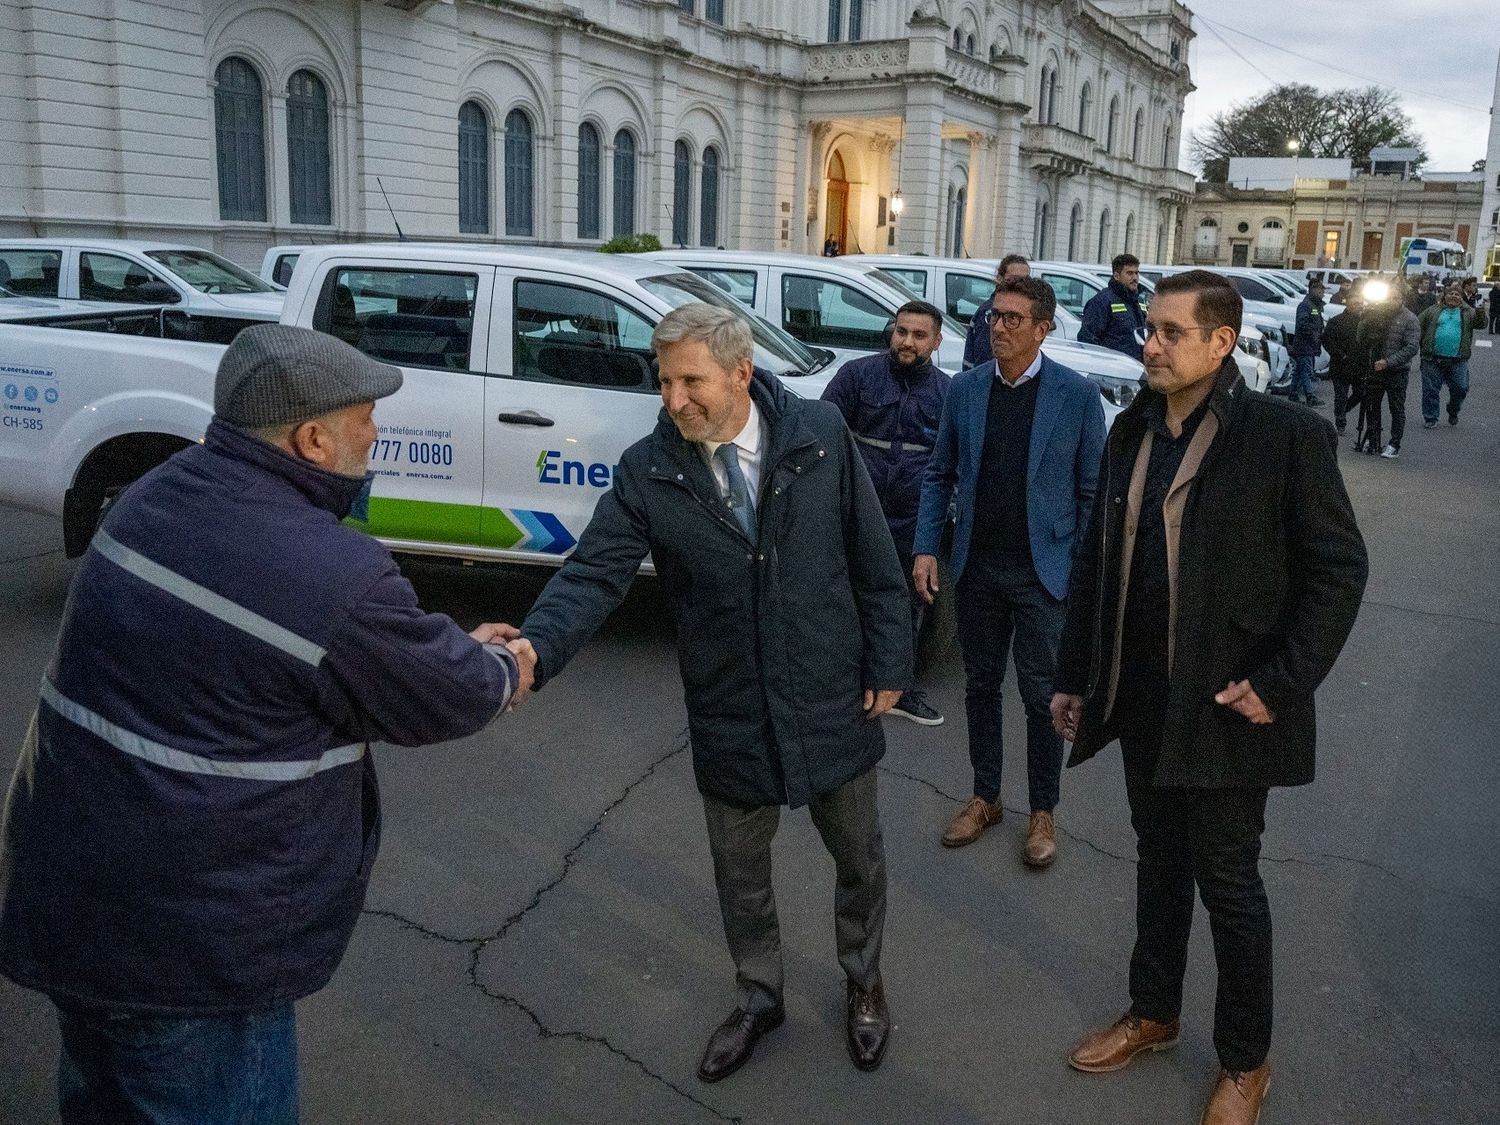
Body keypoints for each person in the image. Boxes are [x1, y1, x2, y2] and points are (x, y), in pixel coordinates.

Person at [0, 324, 530, 1125]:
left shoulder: (154, 496)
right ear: (312, 439)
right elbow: (444, 693)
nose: (377, 436)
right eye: (365, 421)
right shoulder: (327, 569)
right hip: (193, 950)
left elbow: (256, 655)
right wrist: (500, 665)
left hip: (76, 905)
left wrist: (428, 645)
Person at [506, 304, 911, 1081]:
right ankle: (760, 996)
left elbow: (873, 556)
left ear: (741, 373)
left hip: (833, 692)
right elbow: (594, 573)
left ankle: (865, 979)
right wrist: (534, 648)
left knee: (859, 854)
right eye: (664, 381)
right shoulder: (649, 469)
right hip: (730, 705)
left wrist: (889, 660)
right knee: (739, 871)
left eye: (690, 380)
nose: (674, 399)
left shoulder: (820, 434)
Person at [1052, 270, 1368, 1125]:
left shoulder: (1284, 436)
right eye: (1149, 329)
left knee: (1228, 885)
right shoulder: (1133, 432)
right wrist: (1076, 675)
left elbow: (1339, 570)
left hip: (1230, 704)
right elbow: (1098, 562)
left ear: (1221, 343)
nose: (1148, 344)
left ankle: (1245, 1061)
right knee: (1158, 867)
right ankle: (1153, 1012)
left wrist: (1281, 681)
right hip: (1145, 700)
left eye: (1168, 332)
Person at [912, 277, 1105, 866]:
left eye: (1014, 319)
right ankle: (985, 797)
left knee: (1042, 697)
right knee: (979, 688)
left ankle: (1043, 811)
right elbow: (939, 474)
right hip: (977, 569)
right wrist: (926, 547)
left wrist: (1077, 567)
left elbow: (1093, 491)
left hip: (1043, 574)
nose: (999, 327)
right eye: (994, 318)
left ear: (1044, 327)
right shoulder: (966, 390)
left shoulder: (1075, 394)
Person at [822, 299, 953, 726]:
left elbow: (955, 465)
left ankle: (901, 688)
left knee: (907, 604)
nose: (907, 342)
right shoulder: (856, 376)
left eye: (918, 335)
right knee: (847, 598)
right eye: (901, 332)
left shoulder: (949, 392)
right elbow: (823, 437)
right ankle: (846, 685)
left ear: (936, 341)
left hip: (913, 519)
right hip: (858, 513)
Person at [1356, 286, 1420, 458]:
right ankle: (1372, 436)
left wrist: (1388, 362)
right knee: (1372, 404)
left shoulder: (1410, 319)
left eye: (1396, 298)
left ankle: (1394, 444)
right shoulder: (1378, 314)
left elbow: (1412, 347)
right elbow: (1361, 338)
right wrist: (1365, 318)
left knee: (1396, 408)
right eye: (1389, 298)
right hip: (1376, 368)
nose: (1392, 302)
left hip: (1397, 371)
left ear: (1402, 300)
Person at [1417, 281, 1481, 428]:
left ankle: (1453, 409)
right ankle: (1430, 417)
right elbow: (1417, 325)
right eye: (1450, 293)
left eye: (1457, 294)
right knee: (1431, 389)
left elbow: (1481, 324)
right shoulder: (1433, 310)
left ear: (1461, 298)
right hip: (1432, 357)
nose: (1453, 296)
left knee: (1461, 387)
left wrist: (1481, 311)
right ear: (1444, 296)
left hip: (1458, 358)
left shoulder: (1468, 312)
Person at [963, 254, 1031, 369]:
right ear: (999, 278)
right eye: (1014, 279)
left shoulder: (1018, 309)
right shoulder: (990, 313)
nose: (1020, 285)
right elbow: (984, 361)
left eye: (1025, 280)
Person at [1079, 254, 1149, 361]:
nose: (1135, 278)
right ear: (1117, 276)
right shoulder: (1102, 301)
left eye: (1136, 273)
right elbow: (1087, 339)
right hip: (1115, 368)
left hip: (1138, 367)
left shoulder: (1138, 300)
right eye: (1129, 273)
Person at [1321, 284, 1366, 435]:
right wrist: (1340, 354)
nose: (1358, 306)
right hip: (1341, 365)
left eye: (1360, 303)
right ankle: (1340, 422)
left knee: (1361, 392)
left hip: (1359, 366)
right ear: (1348, 303)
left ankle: (1343, 410)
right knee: (1341, 396)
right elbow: (1327, 340)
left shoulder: (1364, 322)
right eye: (1355, 303)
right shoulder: (1336, 321)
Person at [1288, 277, 1326, 406]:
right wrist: (1314, 335)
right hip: (1305, 345)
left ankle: (1293, 393)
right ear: (1313, 290)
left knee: (1299, 370)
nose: (1323, 293)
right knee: (1306, 371)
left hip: (1309, 345)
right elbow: (1302, 324)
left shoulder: (1314, 305)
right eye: (1320, 290)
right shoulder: (1306, 305)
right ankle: (1310, 396)